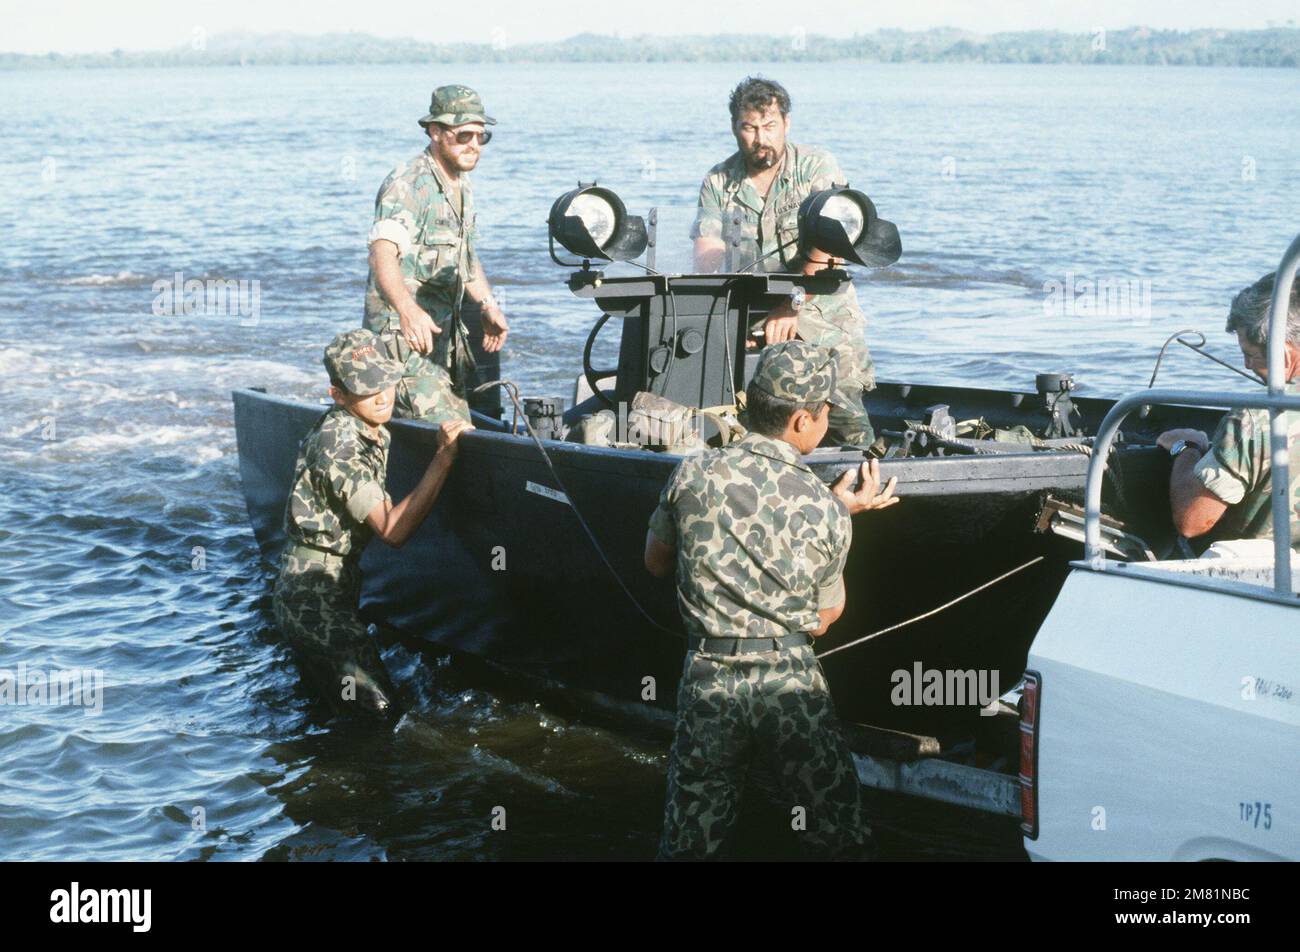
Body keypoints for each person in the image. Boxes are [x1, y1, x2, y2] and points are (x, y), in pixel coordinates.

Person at [644, 340, 901, 860]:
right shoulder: (824, 507)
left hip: (709, 677)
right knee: (836, 830)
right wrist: (841, 512)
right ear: (803, 421)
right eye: (826, 411)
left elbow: (656, 561)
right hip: (789, 682)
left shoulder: (693, 473)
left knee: (693, 837)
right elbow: (827, 618)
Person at [273, 329, 470, 718]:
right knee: (380, 715)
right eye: (366, 389)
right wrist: (443, 458)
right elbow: (393, 531)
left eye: (387, 382)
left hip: (325, 588)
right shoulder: (339, 443)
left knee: (336, 713)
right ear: (338, 395)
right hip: (313, 600)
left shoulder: (363, 422)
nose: (382, 396)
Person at [691, 75, 877, 448]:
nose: (761, 139)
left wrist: (790, 305)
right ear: (734, 128)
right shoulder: (719, 180)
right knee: (722, 400)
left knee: (842, 407)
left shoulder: (816, 167)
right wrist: (724, 291)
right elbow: (706, 249)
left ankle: (869, 464)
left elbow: (830, 247)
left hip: (820, 308)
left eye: (769, 126)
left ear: (786, 124)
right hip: (753, 309)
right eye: (750, 128)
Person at [363, 84, 509, 428]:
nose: (474, 145)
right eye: (464, 136)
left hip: (444, 341)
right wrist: (408, 311)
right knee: (451, 431)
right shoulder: (409, 184)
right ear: (436, 132)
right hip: (404, 341)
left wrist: (488, 305)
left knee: (460, 426)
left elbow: (466, 259)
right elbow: (381, 254)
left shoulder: (460, 185)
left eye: (480, 137)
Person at [1157, 271, 1300, 545]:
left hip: (1262, 580)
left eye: (1250, 355)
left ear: (1283, 353)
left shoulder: (1255, 419)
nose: (1246, 366)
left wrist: (1185, 448)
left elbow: (1193, 522)